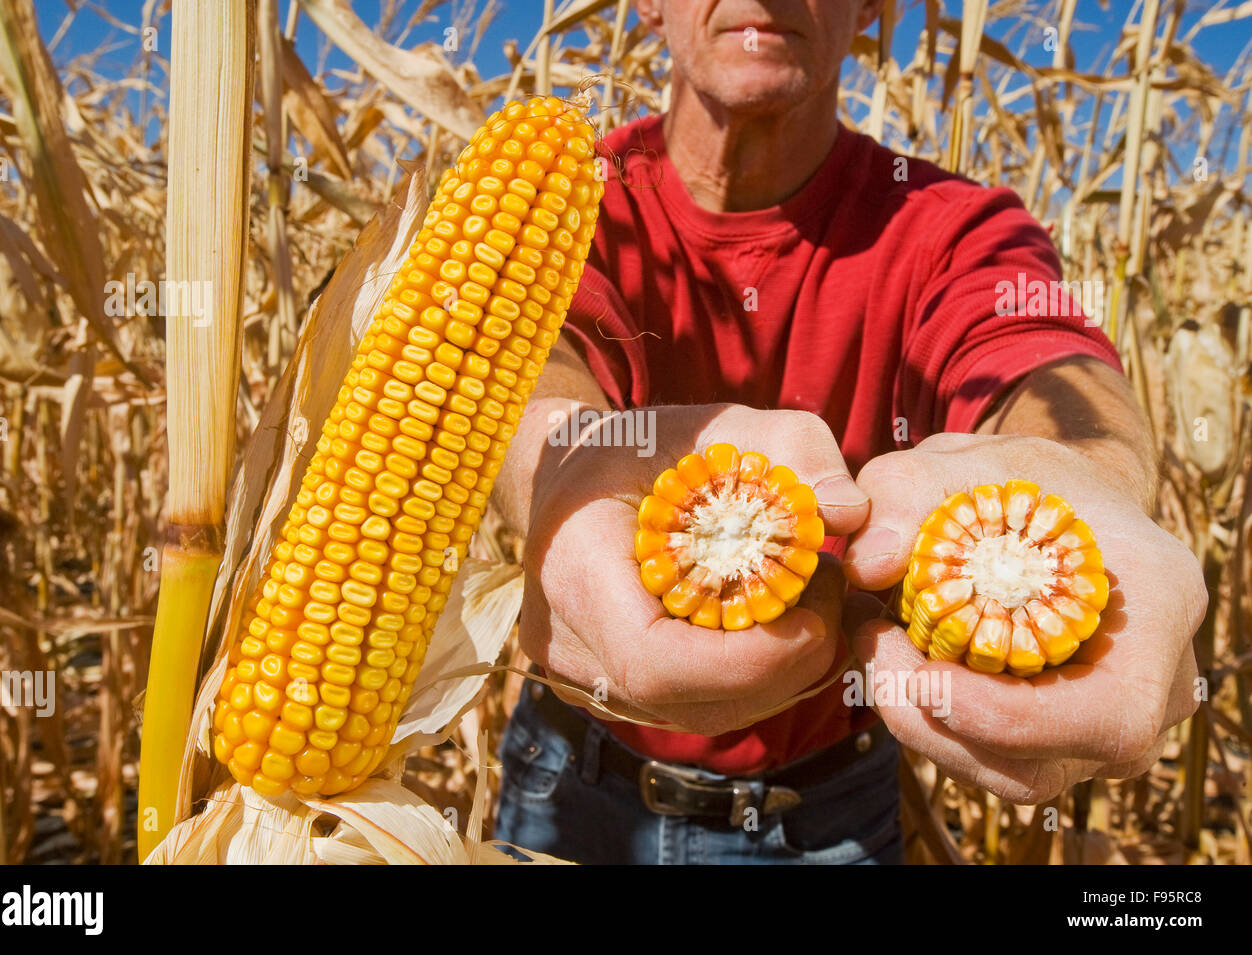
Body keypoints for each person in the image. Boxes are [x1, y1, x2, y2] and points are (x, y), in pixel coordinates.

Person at [489, 0, 1205, 865]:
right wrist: (557, 448)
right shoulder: (560, 203)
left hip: (826, 810)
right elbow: (534, 346)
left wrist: (1086, 468)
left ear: (875, 8)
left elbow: (1041, 359)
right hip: (564, 779)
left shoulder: (953, 227)